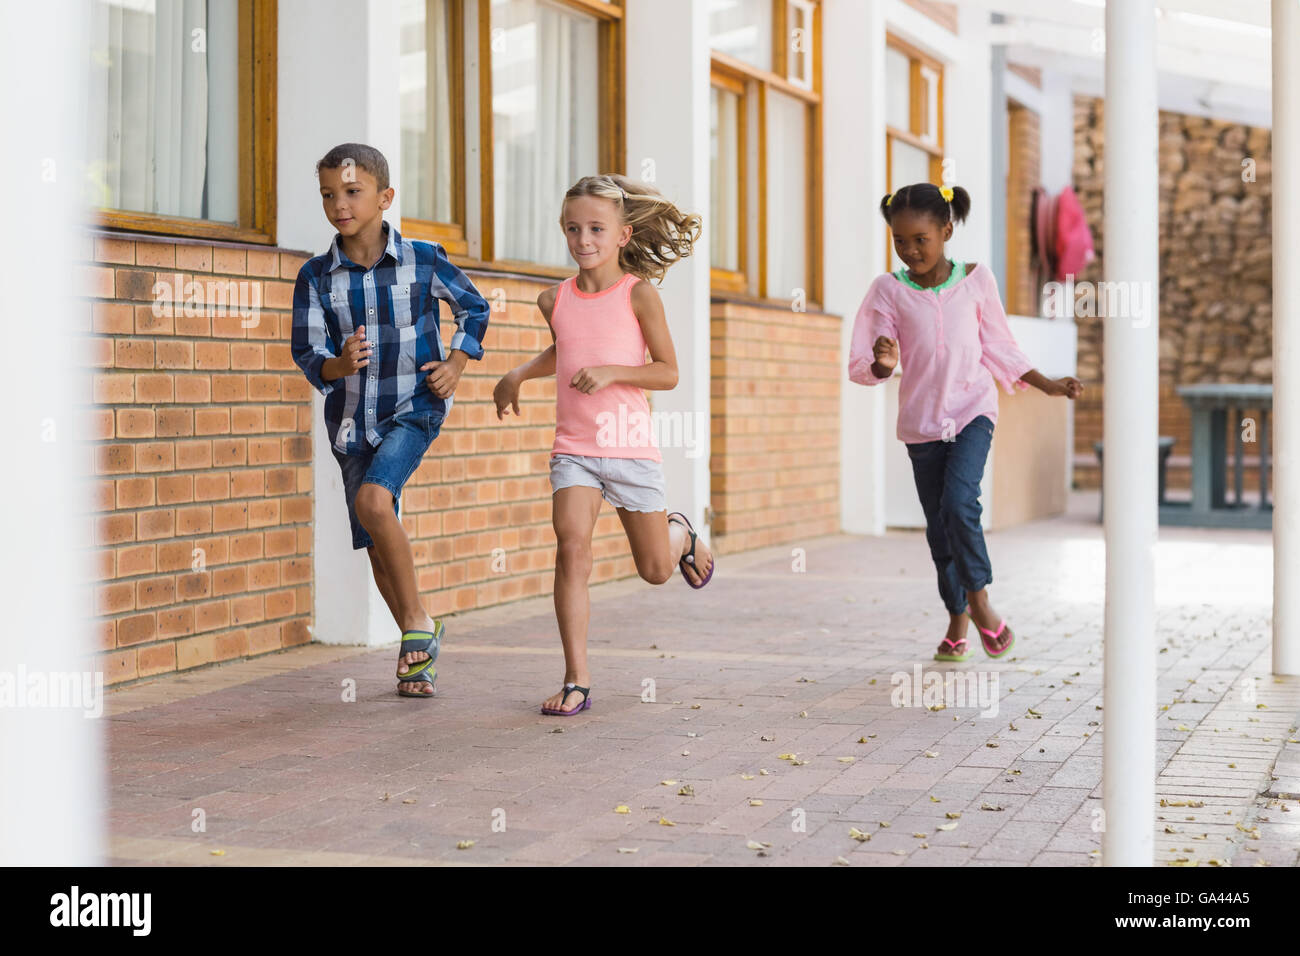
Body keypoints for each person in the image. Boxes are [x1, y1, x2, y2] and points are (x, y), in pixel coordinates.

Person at [493, 174, 715, 715]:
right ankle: (576, 679)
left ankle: (680, 535)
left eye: (595, 228)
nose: (583, 239)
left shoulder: (639, 294)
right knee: (571, 547)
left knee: (655, 570)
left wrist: (613, 373)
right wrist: (519, 374)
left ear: (623, 234)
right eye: (573, 228)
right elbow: (564, 352)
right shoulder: (555, 299)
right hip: (574, 447)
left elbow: (668, 373)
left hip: (630, 447)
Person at [848, 182, 1083, 661]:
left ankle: (979, 601)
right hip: (922, 425)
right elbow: (869, 361)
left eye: (921, 240)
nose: (911, 250)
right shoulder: (887, 291)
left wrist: (1048, 383)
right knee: (939, 528)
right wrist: (882, 363)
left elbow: (999, 345)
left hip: (972, 412)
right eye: (900, 241)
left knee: (959, 503)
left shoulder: (976, 280)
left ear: (947, 230)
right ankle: (956, 616)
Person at [291, 143, 490, 698]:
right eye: (329, 194)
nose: (339, 204)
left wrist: (456, 364)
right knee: (377, 539)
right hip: (352, 421)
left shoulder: (424, 258)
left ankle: (419, 625)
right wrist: (337, 362)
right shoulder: (314, 276)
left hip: (415, 406)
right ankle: (418, 644)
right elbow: (308, 355)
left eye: (352, 192)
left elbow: (474, 308)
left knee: (375, 503)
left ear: (385, 197)